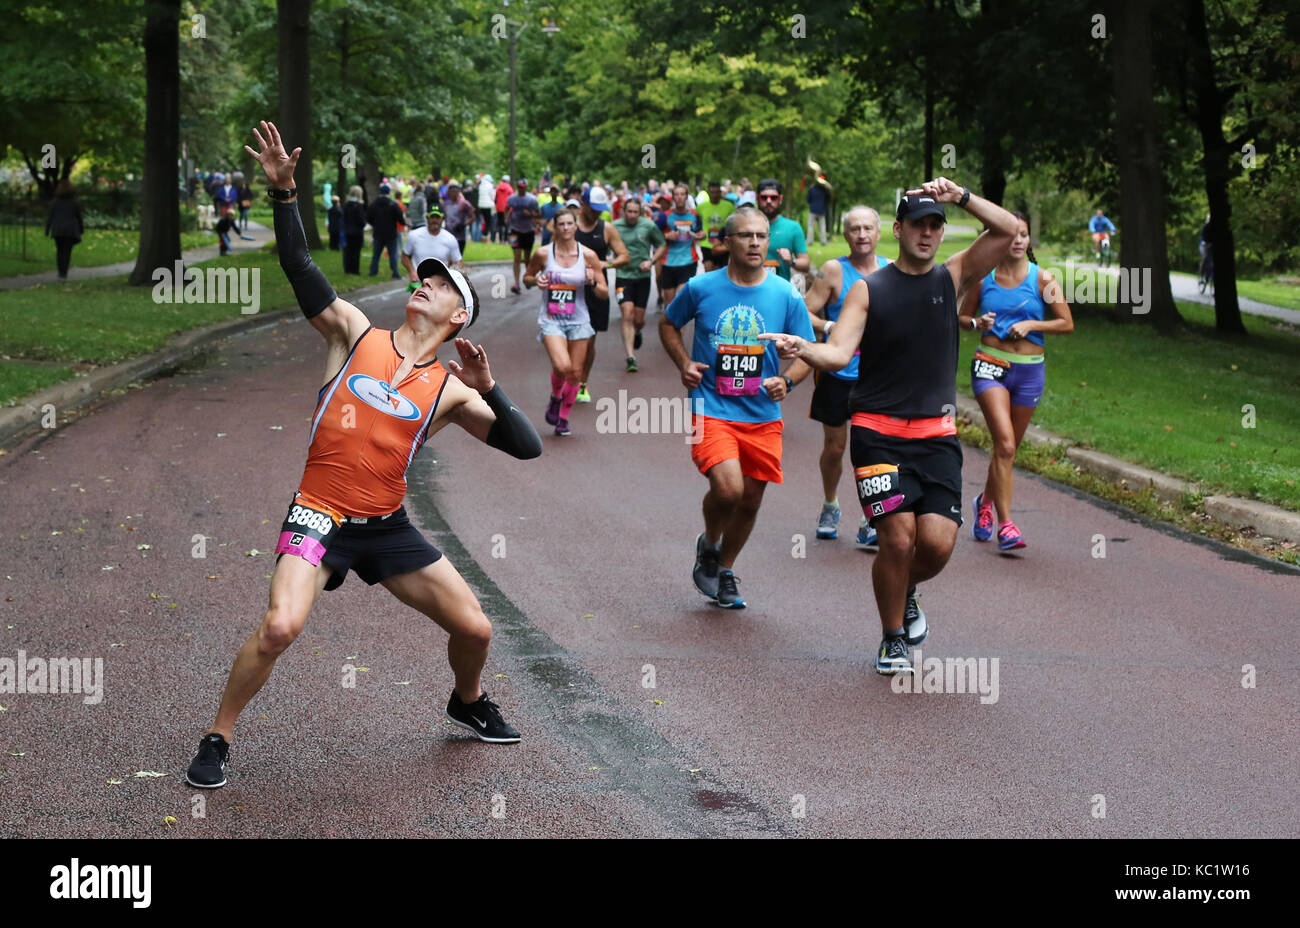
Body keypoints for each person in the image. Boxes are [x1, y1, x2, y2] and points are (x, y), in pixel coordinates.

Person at [185, 121, 542, 790]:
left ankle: (466, 701)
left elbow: (528, 447)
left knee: (478, 629)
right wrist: (285, 195)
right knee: (281, 627)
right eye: (423, 277)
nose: (425, 284)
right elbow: (300, 268)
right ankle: (218, 735)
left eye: (439, 285)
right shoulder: (353, 332)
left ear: (458, 317)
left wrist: (494, 389)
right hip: (319, 515)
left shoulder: (452, 392)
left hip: (386, 528)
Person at [761, 178, 1018, 674]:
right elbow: (837, 353)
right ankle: (892, 636)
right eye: (917, 224)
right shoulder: (868, 289)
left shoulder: (952, 276)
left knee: (938, 547)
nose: (926, 233)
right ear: (896, 230)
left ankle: (908, 588)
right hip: (878, 433)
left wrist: (959, 196)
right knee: (897, 539)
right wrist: (802, 348)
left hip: (936, 436)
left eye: (934, 226)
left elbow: (1008, 230)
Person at [660, 207, 816, 609]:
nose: (755, 243)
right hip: (710, 405)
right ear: (727, 242)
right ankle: (710, 543)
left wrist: (789, 379)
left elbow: (808, 348)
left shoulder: (785, 293)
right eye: (745, 236)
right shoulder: (700, 287)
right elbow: (667, 323)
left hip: (763, 414)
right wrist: (684, 364)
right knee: (728, 488)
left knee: (750, 499)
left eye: (761, 236)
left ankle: (724, 569)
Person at [960, 211, 1073, 551]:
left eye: (1024, 235)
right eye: (1013, 235)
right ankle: (1006, 526)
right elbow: (962, 317)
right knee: (1005, 444)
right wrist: (977, 323)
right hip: (990, 364)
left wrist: (1031, 326)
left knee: (1007, 450)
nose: (1019, 240)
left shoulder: (1043, 279)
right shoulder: (984, 278)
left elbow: (1066, 322)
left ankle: (985, 503)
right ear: (1001, 239)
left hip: (1029, 370)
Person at [782, 206, 890, 547]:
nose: (861, 234)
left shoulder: (892, 271)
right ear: (846, 235)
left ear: (879, 233)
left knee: (873, 449)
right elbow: (804, 310)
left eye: (867, 228)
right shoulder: (833, 271)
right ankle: (830, 504)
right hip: (838, 373)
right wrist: (832, 327)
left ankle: (872, 517)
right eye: (854, 229)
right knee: (836, 447)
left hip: (878, 377)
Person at [523, 207, 608, 436]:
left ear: (576, 226)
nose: (566, 228)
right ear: (555, 227)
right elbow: (527, 278)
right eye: (561, 224)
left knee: (576, 373)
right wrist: (536, 280)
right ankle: (554, 398)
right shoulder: (543, 253)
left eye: (570, 223)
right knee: (562, 366)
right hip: (552, 319)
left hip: (579, 319)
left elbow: (604, 292)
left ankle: (562, 418)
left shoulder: (588, 255)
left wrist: (592, 282)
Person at [574, 185, 629, 398]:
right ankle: (569, 378)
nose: (596, 213)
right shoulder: (570, 226)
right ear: (583, 204)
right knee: (571, 340)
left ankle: (582, 384)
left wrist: (605, 265)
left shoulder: (607, 229)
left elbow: (624, 255)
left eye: (600, 209)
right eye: (593, 208)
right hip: (571, 291)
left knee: (589, 340)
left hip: (597, 290)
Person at [612, 196, 667, 372]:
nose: (632, 215)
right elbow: (604, 244)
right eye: (629, 211)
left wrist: (651, 261)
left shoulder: (648, 226)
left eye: (636, 212)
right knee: (627, 314)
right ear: (624, 211)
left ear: (640, 213)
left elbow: (661, 244)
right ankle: (630, 357)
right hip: (623, 275)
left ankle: (637, 331)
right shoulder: (615, 227)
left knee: (638, 319)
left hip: (642, 276)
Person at [656, 183, 704, 313]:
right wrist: (666, 236)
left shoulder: (694, 215)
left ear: (686, 197)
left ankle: (680, 332)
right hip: (669, 262)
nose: (679, 197)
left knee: (682, 300)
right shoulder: (664, 216)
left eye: (682, 194)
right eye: (676, 194)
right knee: (669, 305)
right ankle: (671, 329)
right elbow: (654, 235)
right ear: (673, 198)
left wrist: (702, 235)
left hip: (688, 261)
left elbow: (700, 232)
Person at [755, 179, 809, 282]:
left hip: (781, 291)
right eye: (764, 197)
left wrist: (791, 261)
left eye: (773, 198)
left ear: (780, 199)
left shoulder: (793, 228)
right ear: (757, 199)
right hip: (751, 289)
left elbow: (805, 264)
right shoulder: (747, 226)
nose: (769, 201)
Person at [403, 205, 465, 287]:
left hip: (440, 285)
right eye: (432, 217)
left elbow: (459, 262)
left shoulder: (450, 239)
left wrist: (452, 275)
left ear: (442, 218)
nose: (434, 220)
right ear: (427, 218)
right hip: (419, 283)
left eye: (437, 217)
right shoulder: (414, 235)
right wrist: (412, 271)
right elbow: (404, 256)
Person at [506, 178, 540, 294]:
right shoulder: (512, 198)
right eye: (519, 187)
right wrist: (506, 218)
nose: (520, 189)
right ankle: (516, 284)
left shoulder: (532, 199)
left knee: (526, 258)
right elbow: (506, 208)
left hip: (528, 231)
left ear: (526, 187)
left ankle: (527, 279)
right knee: (516, 257)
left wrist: (530, 214)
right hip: (514, 231)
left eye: (522, 187)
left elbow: (538, 214)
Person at [45, 180, 83, 280]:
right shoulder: (74, 203)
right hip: (70, 230)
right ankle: (64, 272)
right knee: (67, 251)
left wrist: (47, 229)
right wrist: (81, 229)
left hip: (58, 229)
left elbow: (50, 216)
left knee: (60, 251)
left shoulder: (55, 202)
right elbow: (79, 217)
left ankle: (60, 271)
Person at [696, 181, 735, 271]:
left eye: (717, 192)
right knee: (708, 269)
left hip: (723, 244)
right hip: (707, 243)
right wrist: (699, 231)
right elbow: (696, 223)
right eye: (712, 192)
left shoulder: (729, 206)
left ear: (720, 193)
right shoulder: (701, 207)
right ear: (708, 192)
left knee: (720, 271)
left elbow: (734, 223)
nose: (715, 195)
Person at [367, 183, 404, 278]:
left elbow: (368, 218)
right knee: (393, 255)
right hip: (391, 233)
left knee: (376, 254)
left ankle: (373, 271)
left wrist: (375, 224)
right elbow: (400, 218)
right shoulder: (393, 204)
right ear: (389, 192)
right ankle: (395, 273)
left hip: (378, 232)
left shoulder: (374, 204)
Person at [442, 182, 476, 259]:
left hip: (460, 236)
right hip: (448, 235)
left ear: (458, 192)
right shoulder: (445, 204)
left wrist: (464, 224)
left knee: (458, 258)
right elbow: (442, 217)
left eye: (455, 191)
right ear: (448, 193)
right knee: (448, 258)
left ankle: (457, 270)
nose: (453, 194)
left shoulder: (464, 203)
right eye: (451, 192)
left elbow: (473, 217)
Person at [342, 186, 366, 274]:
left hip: (348, 231)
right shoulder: (359, 206)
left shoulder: (346, 205)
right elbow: (361, 221)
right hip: (357, 232)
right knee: (356, 251)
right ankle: (355, 270)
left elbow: (344, 218)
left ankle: (347, 269)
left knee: (348, 251)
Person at [806, 177, 830, 247]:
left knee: (810, 226)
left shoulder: (812, 189)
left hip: (813, 210)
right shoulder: (825, 190)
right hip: (822, 210)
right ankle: (823, 242)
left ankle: (809, 241)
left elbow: (808, 199)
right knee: (822, 226)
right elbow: (828, 199)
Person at [495, 174, 514, 245]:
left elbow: (495, 198)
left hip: (499, 209)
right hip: (507, 209)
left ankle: (500, 240)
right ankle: (506, 240)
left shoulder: (498, 188)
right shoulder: (509, 188)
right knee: (507, 225)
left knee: (500, 225)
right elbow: (512, 199)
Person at [477, 173, 496, 242]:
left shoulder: (481, 186)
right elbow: (493, 197)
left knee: (484, 221)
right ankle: (486, 236)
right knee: (489, 221)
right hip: (489, 206)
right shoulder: (490, 186)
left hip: (481, 206)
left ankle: (483, 235)